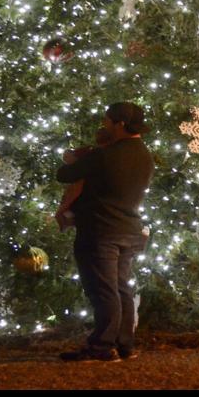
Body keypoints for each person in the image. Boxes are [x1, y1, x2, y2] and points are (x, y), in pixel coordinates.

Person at [54, 102, 153, 362]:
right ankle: (124, 344)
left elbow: (64, 174)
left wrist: (80, 157)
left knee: (103, 290)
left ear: (119, 124)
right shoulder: (145, 155)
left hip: (101, 230)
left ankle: (101, 346)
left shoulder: (104, 155)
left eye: (107, 121)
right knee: (121, 288)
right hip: (129, 229)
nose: (104, 125)